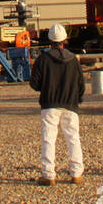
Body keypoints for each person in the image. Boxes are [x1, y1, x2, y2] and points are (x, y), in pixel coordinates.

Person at [30, 23, 85, 185]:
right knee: (73, 137)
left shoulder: (43, 60)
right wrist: (77, 99)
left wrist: (45, 88)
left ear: (50, 40)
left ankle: (48, 175)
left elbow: (34, 84)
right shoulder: (73, 60)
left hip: (49, 104)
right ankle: (76, 173)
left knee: (48, 138)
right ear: (64, 40)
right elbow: (81, 84)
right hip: (70, 104)